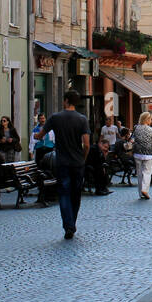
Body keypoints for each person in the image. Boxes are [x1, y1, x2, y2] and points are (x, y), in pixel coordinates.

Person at [45, 92, 91, 238]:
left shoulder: (55, 118)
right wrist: (83, 158)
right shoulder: (82, 119)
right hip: (78, 162)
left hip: (62, 162)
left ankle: (68, 225)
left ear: (65, 101)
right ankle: (72, 223)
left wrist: (36, 136)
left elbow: (40, 134)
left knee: (64, 194)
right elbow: (87, 144)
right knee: (76, 194)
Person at [132, 112, 152, 200]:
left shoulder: (136, 128)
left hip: (137, 153)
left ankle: (140, 193)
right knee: (147, 173)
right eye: (150, 119)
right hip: (148, 153)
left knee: (139, 174)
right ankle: (144, 190)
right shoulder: (151, 130)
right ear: (147, 119)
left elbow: (132, 139)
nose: (151, 121)